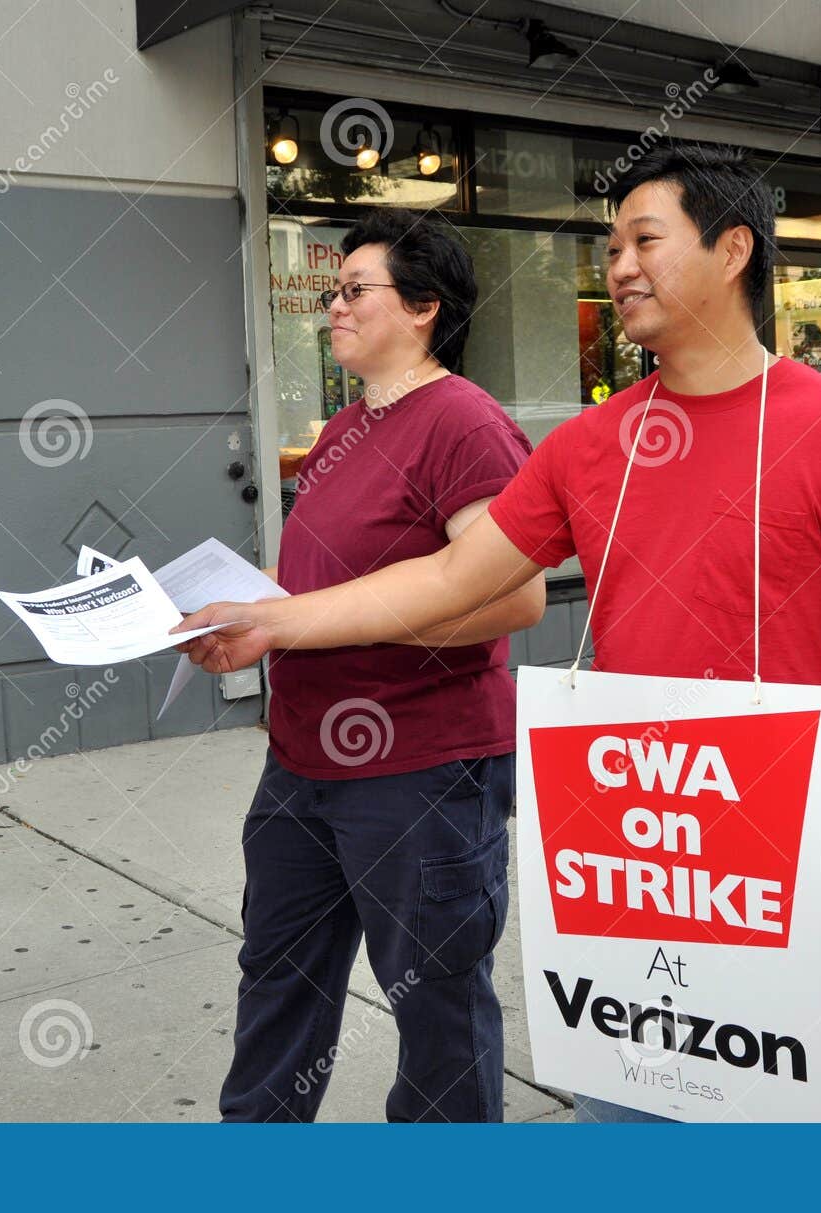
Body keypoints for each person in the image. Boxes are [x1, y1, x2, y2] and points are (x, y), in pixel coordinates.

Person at [181, 143, 821, 1124]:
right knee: (625, 1109)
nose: (616, 264)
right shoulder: (589, 442)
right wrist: (274, 620)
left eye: (643, 239)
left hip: (771, 820)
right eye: (610, 244)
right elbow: (454, 575)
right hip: (622, 825)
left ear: (733, 248)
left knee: (784, 1115)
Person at [216, 209, 546, 1123]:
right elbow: (312, 583)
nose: (334, 306)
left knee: (434, 1007)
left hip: (421, 776)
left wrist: (315, 626)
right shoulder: (342, 430)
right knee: (277, 983)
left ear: (425, 308)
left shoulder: (465, 424)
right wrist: (249, 615)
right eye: (333, 291)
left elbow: (515, 596)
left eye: (355, 289)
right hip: (301, 771)